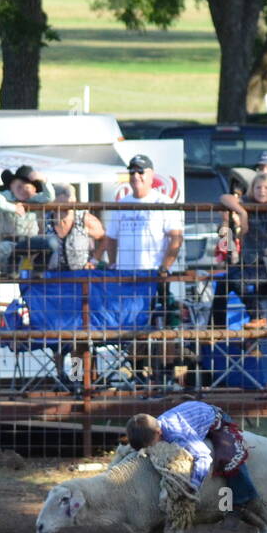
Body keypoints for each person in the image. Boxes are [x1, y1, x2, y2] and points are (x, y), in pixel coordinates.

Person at [102, 155, 186, 387]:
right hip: (128, 277)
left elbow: (176, 238)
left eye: (141, 172)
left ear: (151, 175)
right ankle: (138, 373)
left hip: (154, 275)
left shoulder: (163, 202)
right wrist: (113, 264)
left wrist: (164, 267)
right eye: (132, 172)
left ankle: (166, 373)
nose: (136, 176)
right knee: (133, 326)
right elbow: (110, 238)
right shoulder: (122, 203)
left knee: (166, 325)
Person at [224, 173, 267, 396]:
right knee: (266, 335)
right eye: (258, 187)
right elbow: (224, 197)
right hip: (255, 268)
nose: (262, 191)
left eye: (266, 187)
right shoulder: (248, 204)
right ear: (252, 190)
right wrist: (243, 212)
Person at [124, 403, 259, 506]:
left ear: (159, 433)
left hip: (216, 419)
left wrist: (193, 485)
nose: (151, 449)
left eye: (151, 445)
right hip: (194, 413)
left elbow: (204, 456)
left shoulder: (177, 435)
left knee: (229, 458)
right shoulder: (152, 428)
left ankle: (243, 501)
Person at [0, 165, 55, 272]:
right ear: (11, 186)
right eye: (19, 186)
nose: (22, 190)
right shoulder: (7, 196)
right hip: (10, 243)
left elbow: (49, 197)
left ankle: (36, 272)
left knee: (51, 243)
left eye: (27, 187)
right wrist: (13, 208)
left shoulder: (34, 198)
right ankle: (11, 271)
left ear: (34, 189)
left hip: (30, 243)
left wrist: (44, 180)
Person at [47, 183, 105, 272]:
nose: (69, 204)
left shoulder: (84, 218)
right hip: (51, 275)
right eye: (61, 205)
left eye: (70, 203)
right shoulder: (45, 221)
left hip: (81, 274)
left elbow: (105, 238)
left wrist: (94, 261)